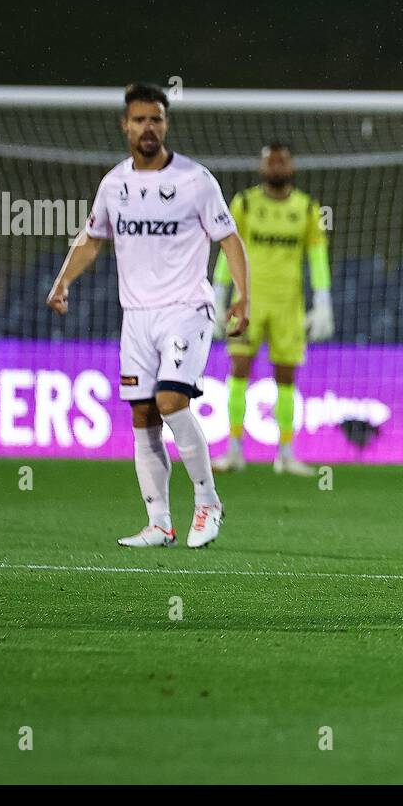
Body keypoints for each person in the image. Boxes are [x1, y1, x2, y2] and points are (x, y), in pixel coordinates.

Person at [47, 82, 250, 548]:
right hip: (135, 318)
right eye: (139, 120)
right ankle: (159, 522)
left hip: (185, 311)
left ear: (166, 124)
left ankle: (207, 502)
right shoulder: (114, 184)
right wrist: (62, 281)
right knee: (143, 416)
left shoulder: (196, 181)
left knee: (171, 402)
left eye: (156, 118)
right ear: (125, 126)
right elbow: (92, 238)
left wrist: (243, 297)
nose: (148, 127)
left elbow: (230, 240)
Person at [210, 142, 334, 476]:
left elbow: (317, 256)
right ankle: (234, 449)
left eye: (282, 161)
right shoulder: (245, 203)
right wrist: (218, 293)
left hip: (288, 305)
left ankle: (286, 453)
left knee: (286, 376)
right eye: (271, 162)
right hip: (247, 300)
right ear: (262, 167)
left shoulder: (307, 208)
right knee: (238, 369)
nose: (276, 167)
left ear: (291, 166)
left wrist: (323, 301)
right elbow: (229, 247)